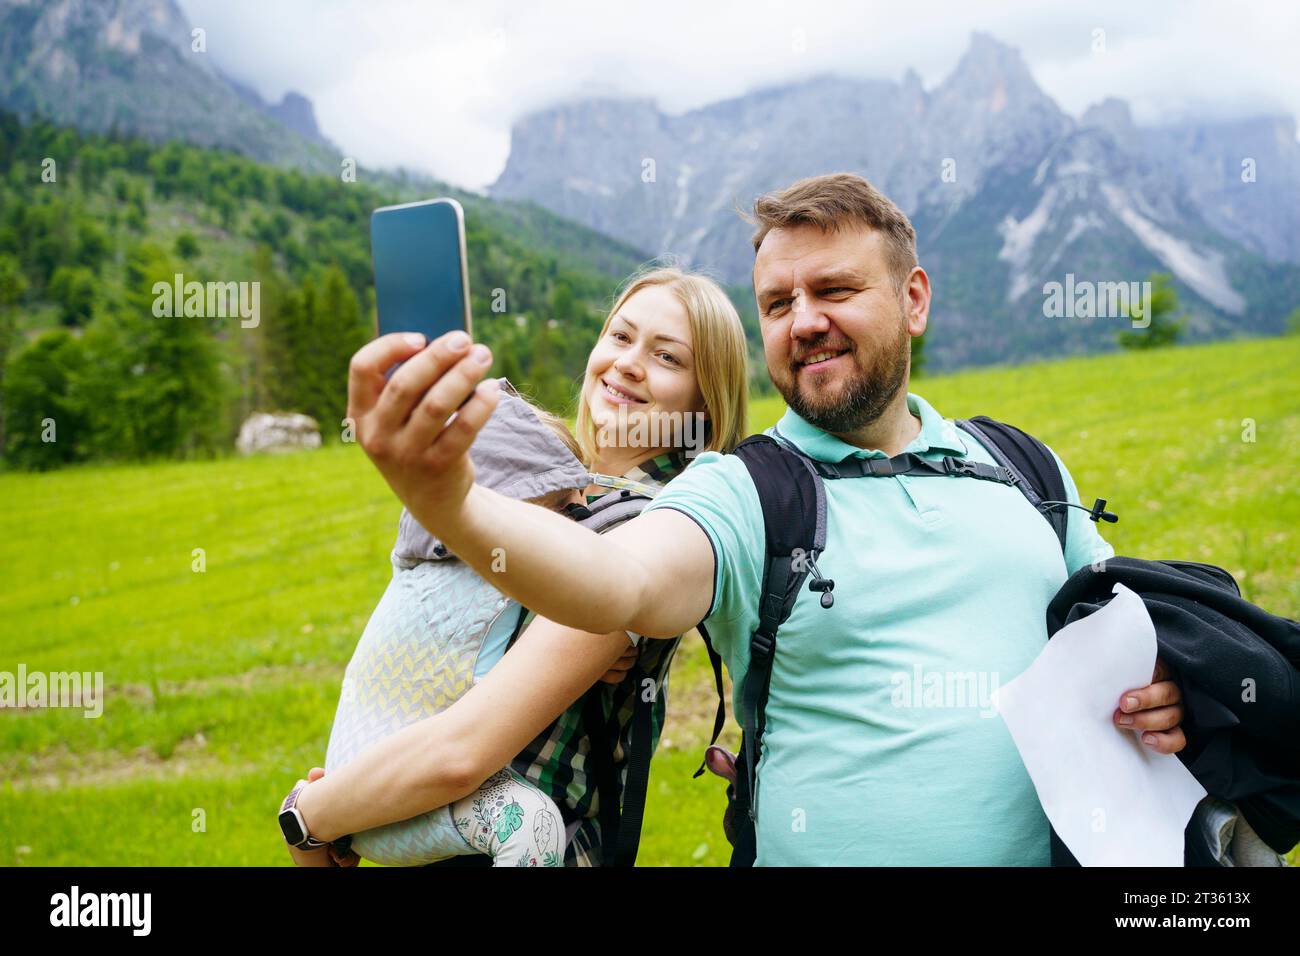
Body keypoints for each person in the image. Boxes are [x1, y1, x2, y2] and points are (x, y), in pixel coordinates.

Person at [337, 173, 1187, 866]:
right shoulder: (747, 489)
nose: (805, 320)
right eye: (778, 303)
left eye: (835, 289)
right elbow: (617, 582)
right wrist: (447, 500)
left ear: (914, 298)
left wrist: (1161, 696)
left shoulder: (1023, 466)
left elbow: (1121, 640)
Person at [285, 266, 750, 866]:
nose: (629, 363)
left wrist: (309, 816)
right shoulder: (555, 489)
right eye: (619, 336)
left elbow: (462, 754)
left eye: (667, 357)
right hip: (440, 826)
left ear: (704, 403)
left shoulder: (646, 531)